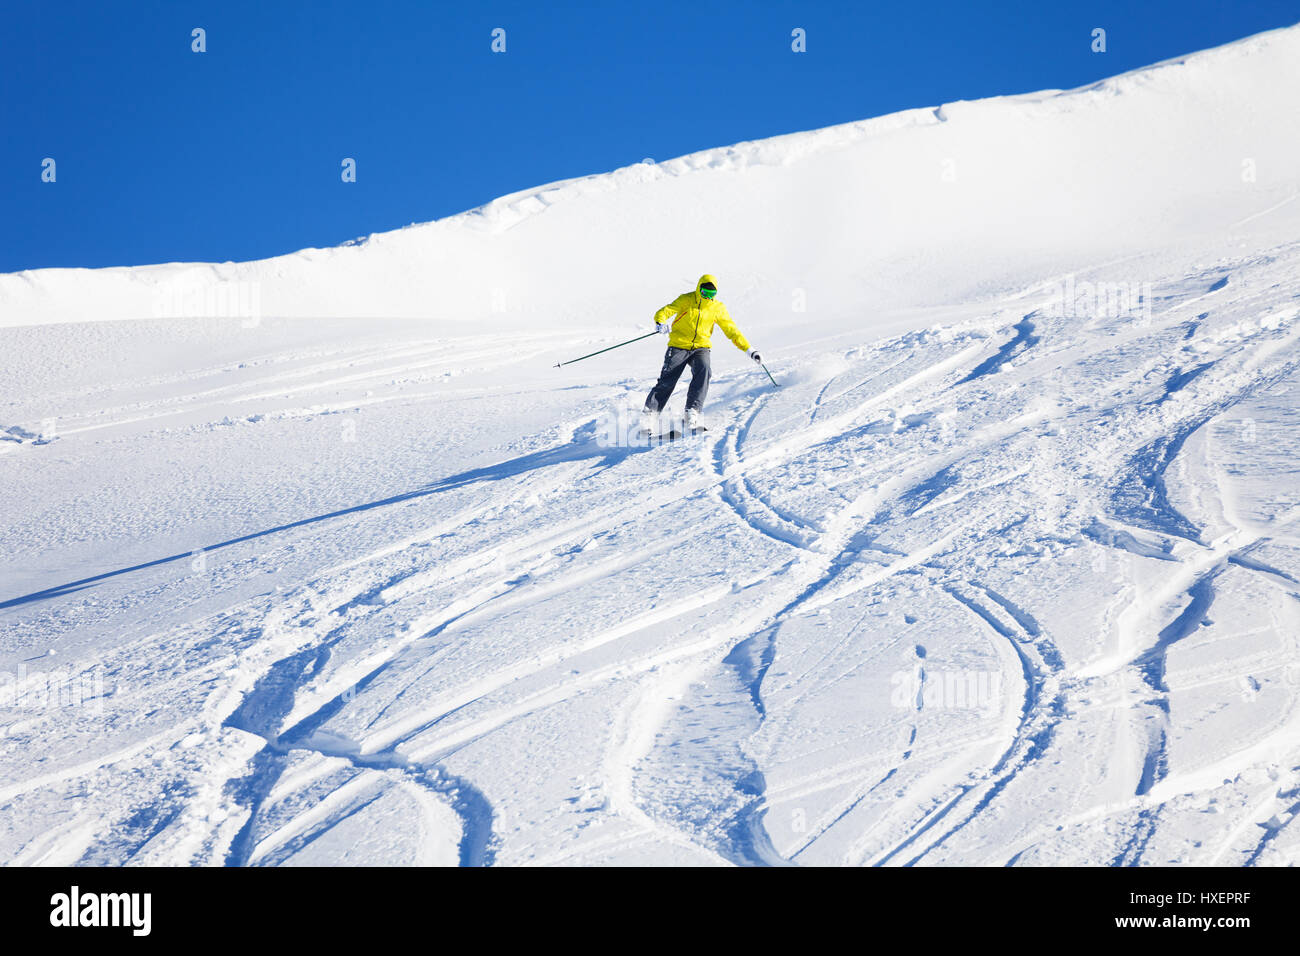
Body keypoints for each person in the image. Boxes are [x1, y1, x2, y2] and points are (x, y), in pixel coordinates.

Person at [641, 274, 762, 434]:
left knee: (704, 371)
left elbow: (731, 330)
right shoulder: (687, 300)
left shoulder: (717, 308)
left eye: (712, 294)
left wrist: (749, 350)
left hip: (701, 347)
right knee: (668, 379)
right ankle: (648, 418)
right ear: (699, 289)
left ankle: (692, 413)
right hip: (679, 345)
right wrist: (660, 322)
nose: (708, 297)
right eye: (705, 292)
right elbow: (666, 311)